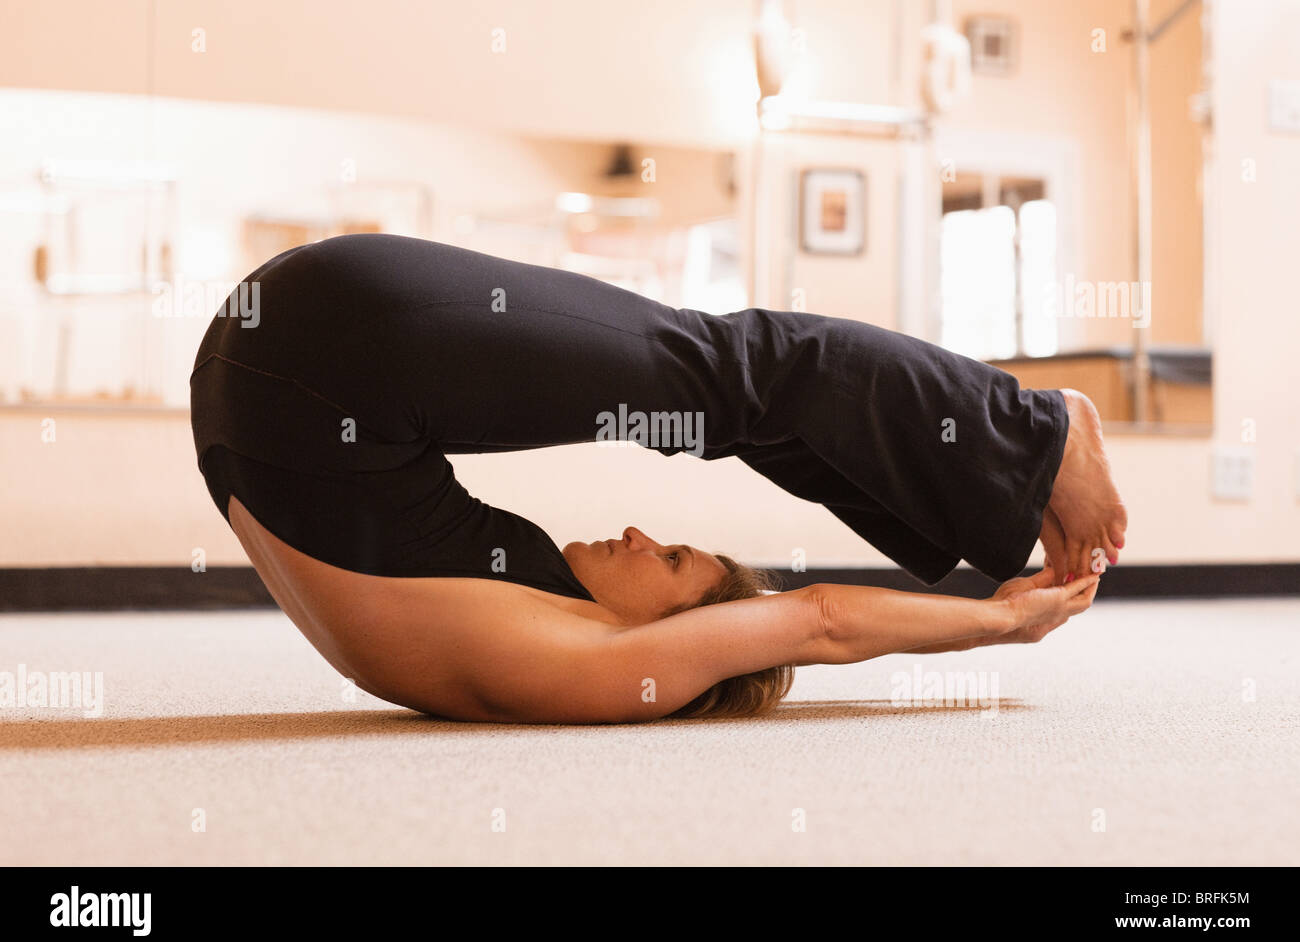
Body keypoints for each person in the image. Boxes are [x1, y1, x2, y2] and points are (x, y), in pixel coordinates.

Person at [190, 233, 1124, 724]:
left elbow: (818, 621)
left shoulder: (584, 664)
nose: (640, 535)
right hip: (244, 395)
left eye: (671, 560)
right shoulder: (542, 634)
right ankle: (997, 495)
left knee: (733, 372)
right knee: (723, 411)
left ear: (682, 641)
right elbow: (805, 618)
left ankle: (1039, 433)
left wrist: (1003, 622)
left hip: (326, 357)